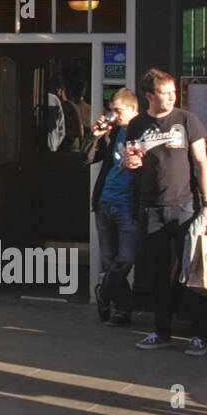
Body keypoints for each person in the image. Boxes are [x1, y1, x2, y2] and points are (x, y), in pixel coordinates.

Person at [125, 68, 207, 356]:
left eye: (174, 92)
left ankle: (199, 335)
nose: (172, 97)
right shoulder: (137, 124)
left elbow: (201, 162)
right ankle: (162, 331)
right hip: (152, 207)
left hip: (185, 206)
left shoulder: (187, 120)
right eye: (166, 93)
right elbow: (130, 159)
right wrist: (129, 164)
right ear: (150, 95)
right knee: (157, 274)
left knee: (192, 272)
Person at [81, 89, 141, 326]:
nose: (114, 115)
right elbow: (86, 158)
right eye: (112, 110)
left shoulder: (143, 131)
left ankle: (104, 293)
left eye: (118, 111)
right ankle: (122, 310)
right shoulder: (112, 132)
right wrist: (94, 136)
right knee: (109, 258)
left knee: (125, 258)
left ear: (133, 109)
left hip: (129, 204)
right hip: (106, 201)